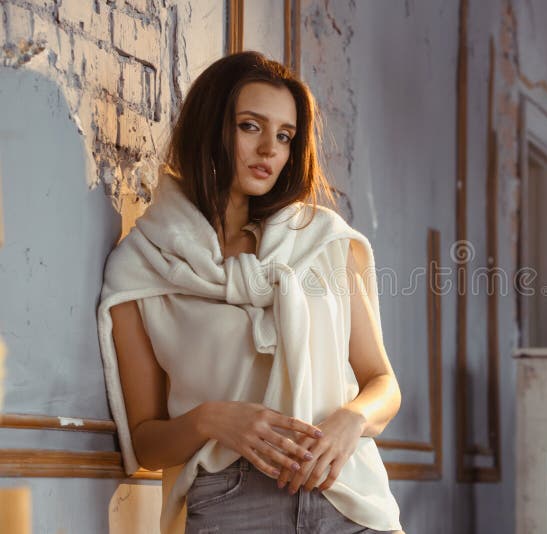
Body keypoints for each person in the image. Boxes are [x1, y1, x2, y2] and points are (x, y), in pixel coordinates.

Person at [96, 51, 403, 534]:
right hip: (231, 502)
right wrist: (213, 421)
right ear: (210, 127)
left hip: (349, 496)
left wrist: (350, 421)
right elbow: (145, 443)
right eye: (250, 126)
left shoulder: (321, 242)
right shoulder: (144, 266)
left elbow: (382, 383)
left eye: (284, 136)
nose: (269, 150)